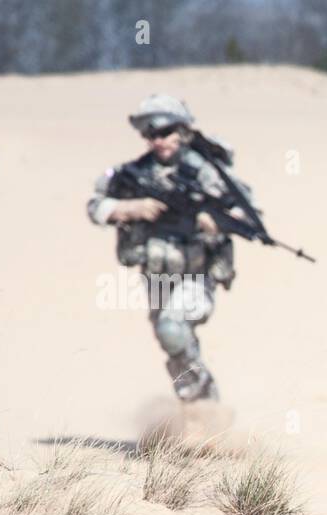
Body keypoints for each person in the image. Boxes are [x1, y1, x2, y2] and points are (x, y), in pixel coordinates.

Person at [86, 94, 250, 402]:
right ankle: (196, 410)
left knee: (172, 328)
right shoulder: (131, 175)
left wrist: (214, 219)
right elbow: (95, 207)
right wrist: (130, 208)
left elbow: (244, 210)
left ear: (183, 132)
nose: (158, 140)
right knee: (172, 341)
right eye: (151, 134)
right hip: (157, 276)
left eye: (165, 132)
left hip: (196, 274)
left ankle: (205, 399)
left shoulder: (205, 172)